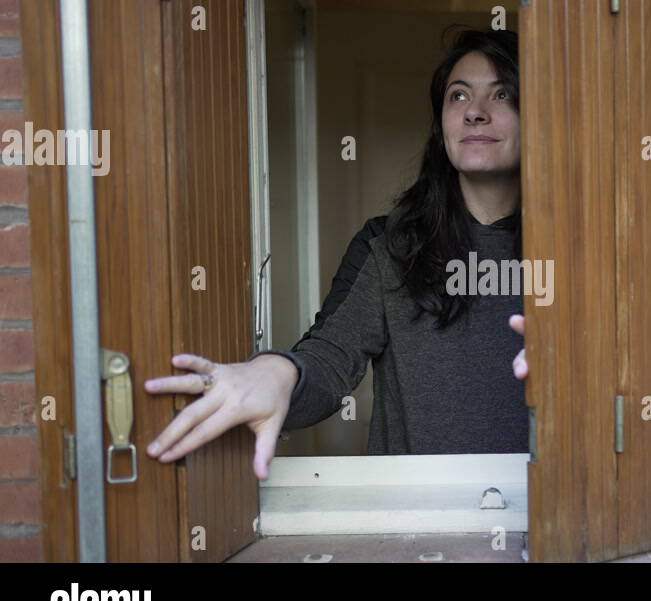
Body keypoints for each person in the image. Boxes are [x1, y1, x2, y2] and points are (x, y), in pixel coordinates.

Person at [143, 28, 531, 480]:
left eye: (502, 94)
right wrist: (277, 373)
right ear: (440, 123)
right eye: (458, 96)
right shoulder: (390, 247)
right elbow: (329, 357)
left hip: (547, 512)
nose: (475, 114)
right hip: (419, 519)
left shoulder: (579, 251)